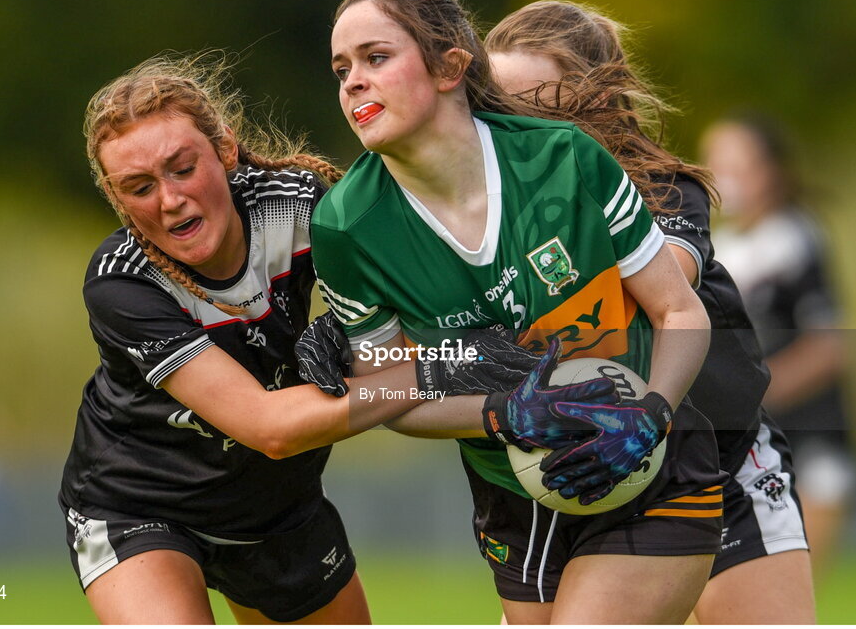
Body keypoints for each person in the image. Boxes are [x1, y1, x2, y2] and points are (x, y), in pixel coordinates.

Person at [57, 52, 576, 624]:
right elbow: (269, 429)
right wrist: (448, 367)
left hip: (278, 509)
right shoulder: (122, 283)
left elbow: (401, 333)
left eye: (183, 168)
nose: (169, 198)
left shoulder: (303, 207)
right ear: (116, 198)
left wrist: (353, 332)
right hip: (138, 503)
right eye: (138, 187)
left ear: (225, 150)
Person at [311, 0, 726, 625]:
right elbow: (388, 394)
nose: (352, 82)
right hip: (514, 497)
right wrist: (503, 413)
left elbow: (680, 312)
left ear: (451, 67)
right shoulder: (344, 227)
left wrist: (651, 411)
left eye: (376, 57)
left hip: (655, 470)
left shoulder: (565, 160)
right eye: (341, 69)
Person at [483, 0, 816, 623]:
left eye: (537, 110)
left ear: (599, 106)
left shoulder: (662, 189)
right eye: (497, 112)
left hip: (721, 462)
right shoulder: (484, 217)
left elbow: (655, 294)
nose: (515, 134)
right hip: (589, 488)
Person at [700, 112, 856, 581]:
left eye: (737, 162)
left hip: (811, 437)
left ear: (770, 170)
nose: (723, 175)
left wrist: (750, 391)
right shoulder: (715, 248)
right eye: (715, 162)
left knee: (789, 585)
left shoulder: (796, 239)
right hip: (745, 444)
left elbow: (828, 348)